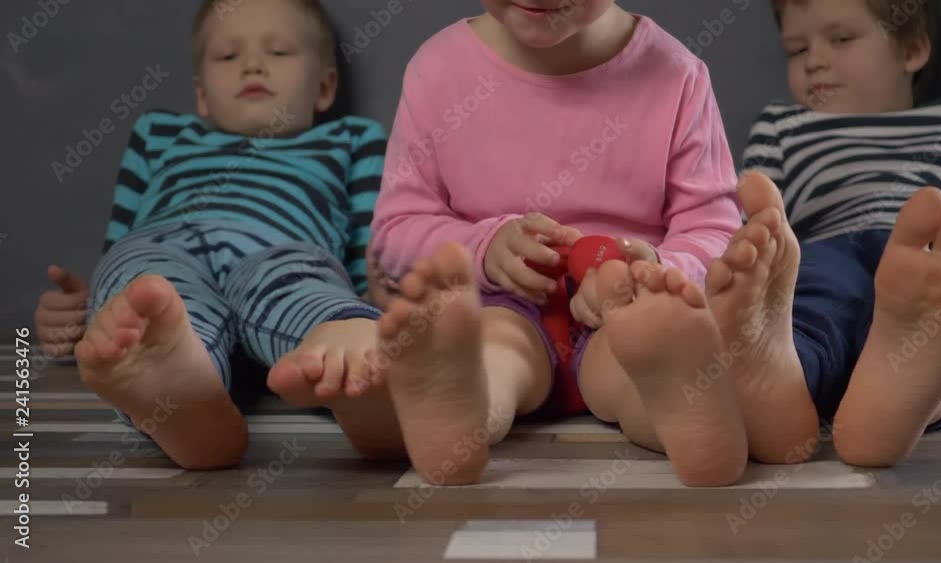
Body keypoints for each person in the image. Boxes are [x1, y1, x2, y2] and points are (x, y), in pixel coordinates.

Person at [334, 0, 751, 488]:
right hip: (500, 303)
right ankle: (459, 411)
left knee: (635, 365)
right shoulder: (438, 69)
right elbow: (396, 230)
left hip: (623, 306)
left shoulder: (677, 75)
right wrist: (482, 247)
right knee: (493, 350)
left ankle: (684, 410)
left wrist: (658, 269)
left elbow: (716, 226)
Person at [36, 0, 389, 470]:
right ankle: (181, 385)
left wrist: (372, 300)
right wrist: (85, 310)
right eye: (227, 57)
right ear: (202, 95)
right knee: (146, 285)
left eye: (279, 51)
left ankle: (350, 349)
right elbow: (117, 246)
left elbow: (367, 255)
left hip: (280, 245)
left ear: (324, 87)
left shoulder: (352, 138)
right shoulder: (159, 133)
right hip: (164, 244)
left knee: (299, 281)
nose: (253, 65)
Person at [707, 0, 941, 469]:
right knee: (807, 312)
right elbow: (756, 227)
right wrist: (748, 272)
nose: (815, 60)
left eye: (841, 39)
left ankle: (927, 389)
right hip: (827, 249)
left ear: (913, 49)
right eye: (797, 49)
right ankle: (779, 378)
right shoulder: (784, 125)